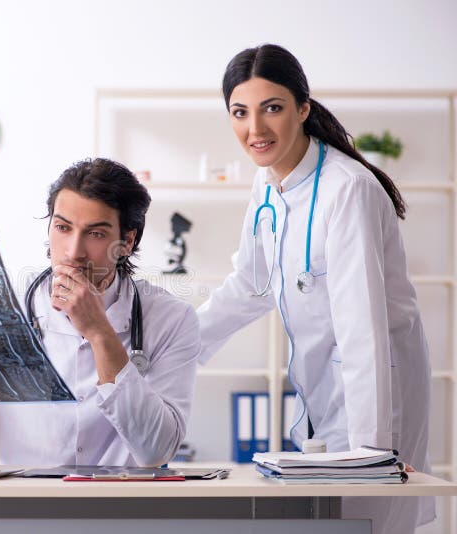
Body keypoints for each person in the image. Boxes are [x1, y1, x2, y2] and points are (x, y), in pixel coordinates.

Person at [197, 44, 433, 534]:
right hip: (323, 394)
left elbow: (362, 329)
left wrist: (371, 457)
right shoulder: (267, 184)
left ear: (303, 109)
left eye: (273, 108)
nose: (255, 129)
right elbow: (250, 285)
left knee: (368, 524)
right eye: (240, 112)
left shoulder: (347, 189)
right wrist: (174, 350)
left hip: (374, 398)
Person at [0, 158, 200, 467]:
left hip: (116, 505)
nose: (73, 251)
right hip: (18, 502)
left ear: (127, 241)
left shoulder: (172, 320)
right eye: (62, 228)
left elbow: (157, 449)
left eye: (95, 233)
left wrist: (100, 333)